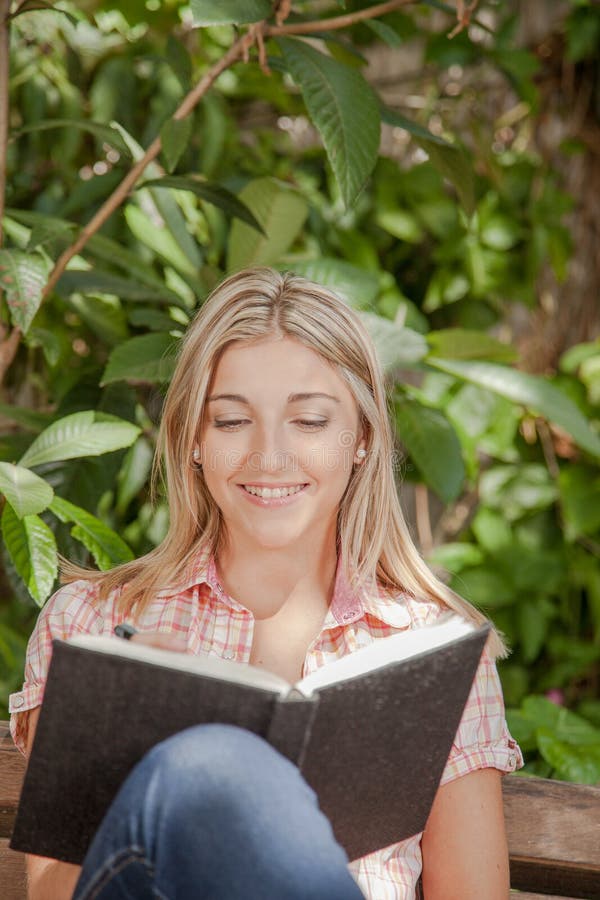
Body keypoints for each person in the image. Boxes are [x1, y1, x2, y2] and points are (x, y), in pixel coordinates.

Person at [10, 267, 522, 900]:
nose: (270, 457)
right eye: (231, 421)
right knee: (210, 766)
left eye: (309, 421)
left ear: (362, 438)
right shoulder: (91, 623)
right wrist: (127, 747)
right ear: (193, 439)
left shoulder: (433, 657)